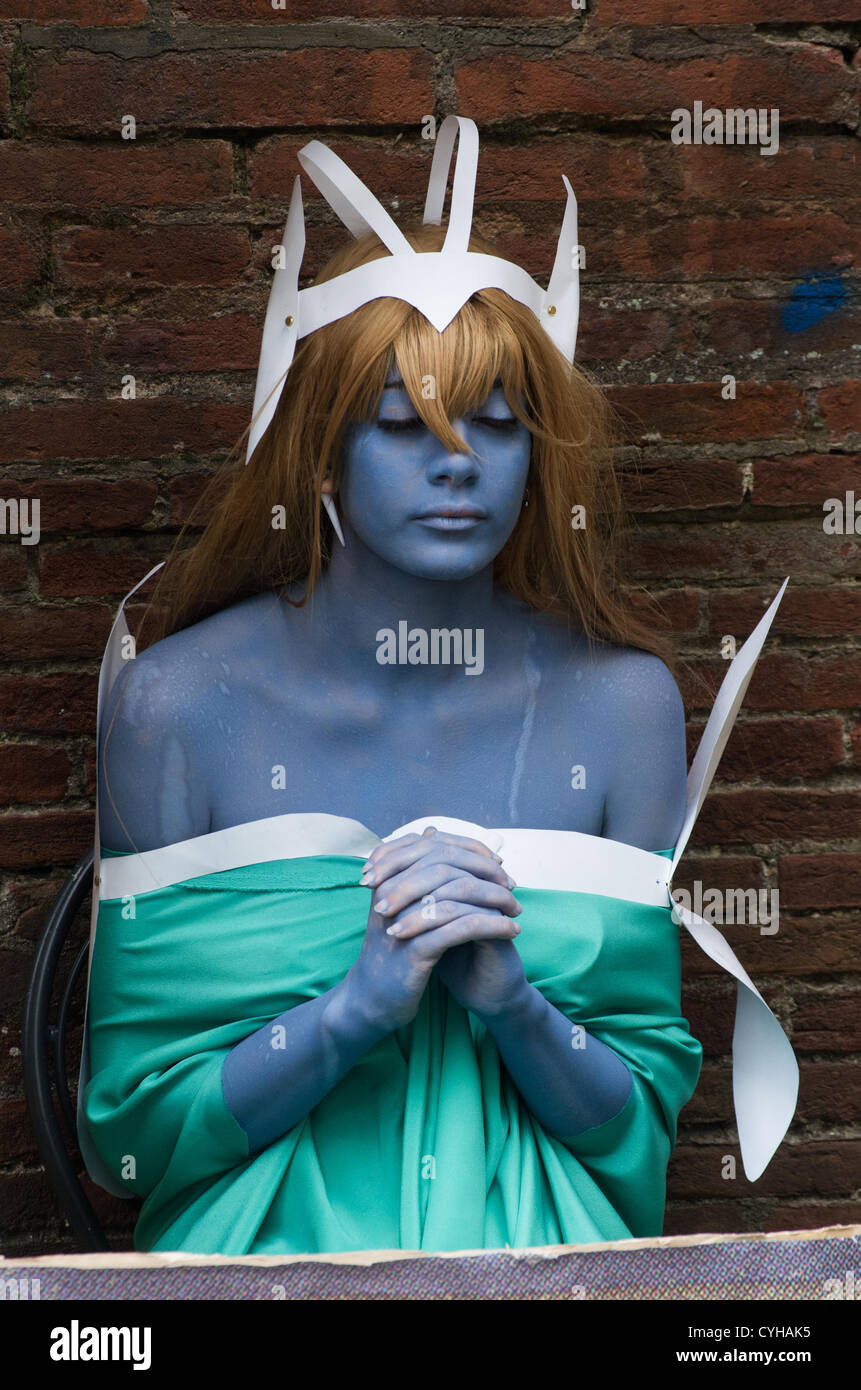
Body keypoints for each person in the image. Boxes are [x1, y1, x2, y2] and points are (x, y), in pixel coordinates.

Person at [78, 123, 795, 1256]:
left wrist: (513, 1005)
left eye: (498, 428)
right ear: (319, 453)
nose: (456, 462)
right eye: (404, 427)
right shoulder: (175, 709)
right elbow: (123, 1148)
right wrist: (357, 1008)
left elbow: (640, 1138)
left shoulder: (625, 710)